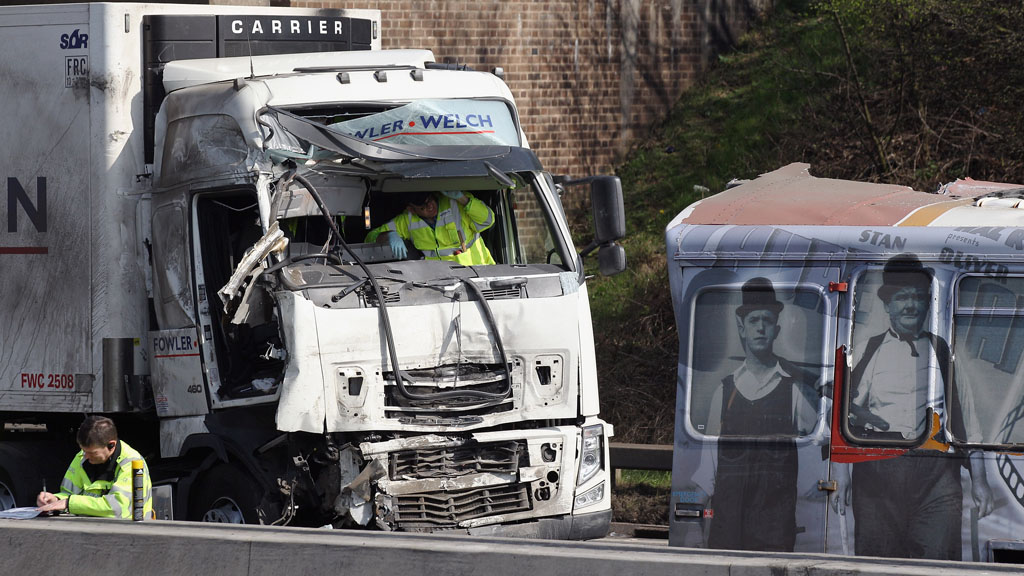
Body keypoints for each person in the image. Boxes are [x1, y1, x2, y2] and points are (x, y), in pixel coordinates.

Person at [841, 254, 993, 559]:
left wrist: (980, 481)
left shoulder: (942, 351)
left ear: (927, 303)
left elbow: (968, 420)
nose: (910, 305)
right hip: (877, 476)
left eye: (917, 297)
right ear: (887, 306)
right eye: (901, 297)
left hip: (936, 476)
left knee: (938, 559)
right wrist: (841, 476)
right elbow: (846, 417)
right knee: (878, 558)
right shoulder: (868, 351)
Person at [704, 277, 819, 552]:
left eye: (767, 320)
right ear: (742, 328)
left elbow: (815, 445)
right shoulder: (724, 390)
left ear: (776, 330)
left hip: (774, 521)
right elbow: (708, 461)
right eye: (754, 320)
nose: (760, 327)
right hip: (728, 521)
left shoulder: (793, 390)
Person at [36, 415, 153, 519]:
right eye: (83, 450)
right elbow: (69, 494)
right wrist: (55, 499)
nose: (85, 456)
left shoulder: (133, 464)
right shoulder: (82, 456)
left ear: (111, 445)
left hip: (128, 534)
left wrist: (69, 503)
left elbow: (117, 507)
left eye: (93, 453)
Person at [366, 191, 495, 265]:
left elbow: (488, 221)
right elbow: (370, 238)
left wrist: (463, 199)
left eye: (429, 200)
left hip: (480, 272)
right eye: (422, 206)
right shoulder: (407, 220)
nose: (430, 206)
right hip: (441, 281)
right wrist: (389, 235)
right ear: (411, 209)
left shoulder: (454, 202)